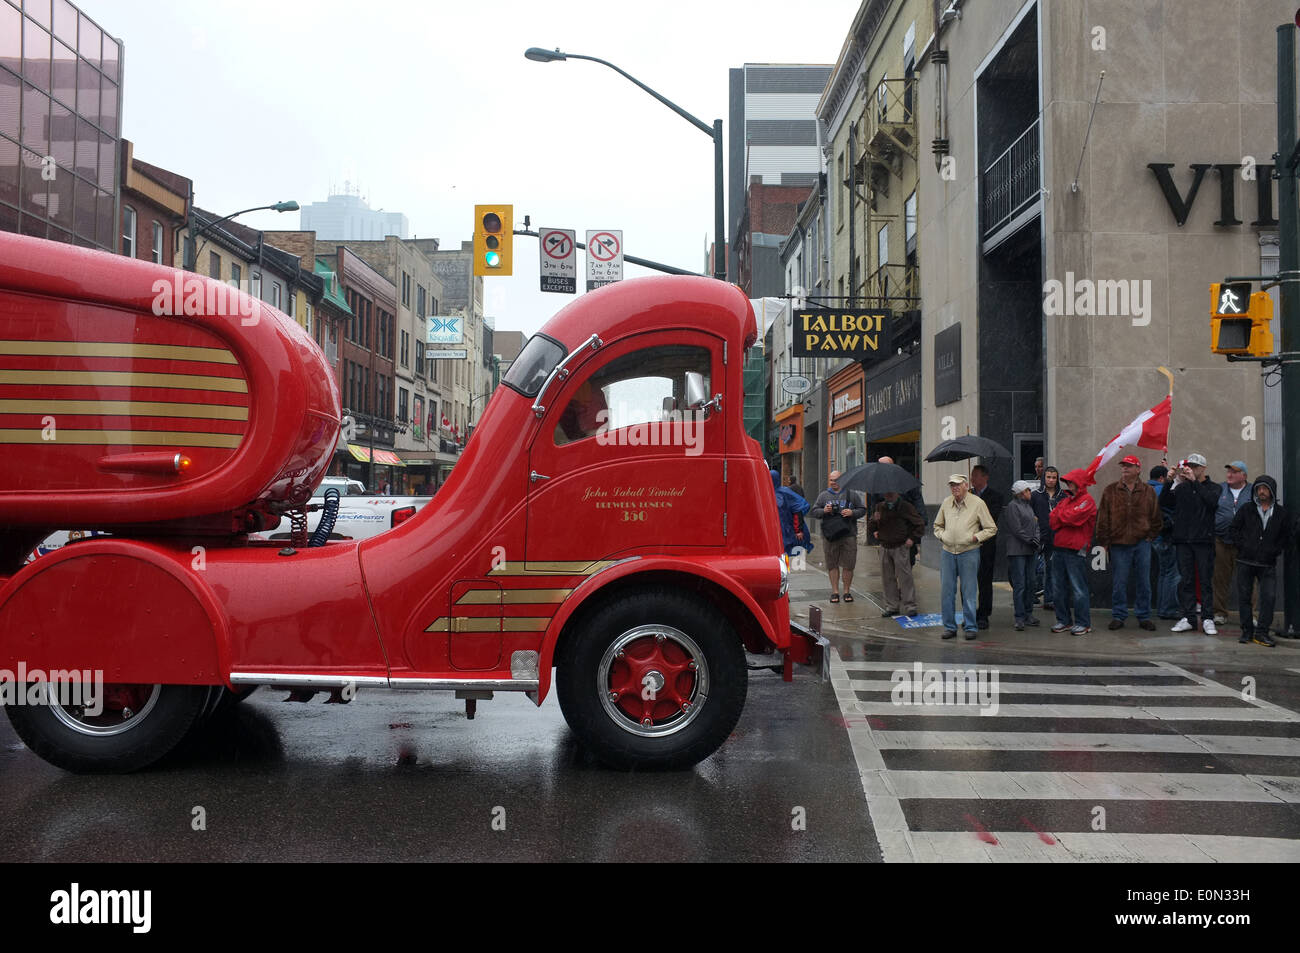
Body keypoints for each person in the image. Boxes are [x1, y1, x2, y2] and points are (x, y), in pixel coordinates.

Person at [1095, 455, 1163, 631]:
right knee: (1119, 582)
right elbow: (1102, 517)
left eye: (1129, 466)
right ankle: (1119, 615)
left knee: (1144, 582)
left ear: (1138, 469)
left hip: (1142, 543)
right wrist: (1104, 541)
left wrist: (1150, 536)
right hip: (1118, 544)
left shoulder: (1148, 491)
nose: (1125, 468)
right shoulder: (1110, 491)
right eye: (1123, 466)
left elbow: (1156, 517)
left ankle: (1144, 616)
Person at [1227, 475, 1289, 647]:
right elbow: (1234, 529)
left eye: (1265, 488)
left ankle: (1262, 632)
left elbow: (1285, 536)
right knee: (1244, 597)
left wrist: (1275, 550)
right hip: (1245, 560)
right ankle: (1247, 631)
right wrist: (1243, 546)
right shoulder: (1247, 509)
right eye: (1259, 488)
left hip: (1267, 562)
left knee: (1268, 597)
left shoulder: (1281, 513)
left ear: (1271, 491)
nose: (1261, 492)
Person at [933, 474, 997, 639]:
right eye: (952, 485)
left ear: (965, 485)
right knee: (947, 591)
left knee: (969, 591)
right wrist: (943, 535)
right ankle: (949, 627)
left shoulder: (977, 503)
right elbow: (937, 525)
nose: (954, 488)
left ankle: (970, 627)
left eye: (957, 485)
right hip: (947, 551)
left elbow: (991, 528)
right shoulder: (947, 502)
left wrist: (976, 537)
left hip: (969, 551)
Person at [1164, 453, 1220, 634]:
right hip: (1183, 540)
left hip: (1203, 540)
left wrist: (1195, 482)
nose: (1191, 470)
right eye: (1189, 466)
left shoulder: (1214, 488)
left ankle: (1207, 618)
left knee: (1205, 581)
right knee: (1186, 580)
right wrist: (1169, 482)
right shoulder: (1181, 487)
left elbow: (1211, 502)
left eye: (1195, 467)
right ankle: (1188, 617)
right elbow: (1164, 503)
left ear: (1203, 468)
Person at [1049, 469, 1099, 635]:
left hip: (1075, 550)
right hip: (1059, 548)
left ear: (1078, 482)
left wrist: (1062, 516)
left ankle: (1083, 623)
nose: (1068, 485)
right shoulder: (1066, 501)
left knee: (1078, 588)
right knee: (1058, 588)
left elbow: (1069, 518)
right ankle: (1064, 621)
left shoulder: (1087, 501)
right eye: (1067, 482)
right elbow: (1053, 521)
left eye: (1071, 482)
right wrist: (1064, 516)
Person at [808, 470, 867, 604]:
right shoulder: (823, 496)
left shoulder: (852, 495)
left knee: (849, 565)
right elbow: (814, 512)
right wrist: (824, 510)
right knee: (832, 564)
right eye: (831, 480)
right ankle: (835, 592)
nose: (833, 483)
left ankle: (847, 591)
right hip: (830, 535)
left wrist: (852, 512)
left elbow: (862, 509)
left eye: (836, 480)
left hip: (849, 534)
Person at [868, 490, 924, 617]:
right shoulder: (879, 507)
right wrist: (874, 521)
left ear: (897, 493)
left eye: (891, 493)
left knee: (905, 577)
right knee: (887, 578)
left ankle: (910, 606)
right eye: (886, 494)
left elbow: (919, 524)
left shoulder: (906, 507)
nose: (888, 496)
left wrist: (912, 538)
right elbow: (871, 527)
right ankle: (892, 606)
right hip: (885, 546)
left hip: (900, 546)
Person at [1212, 461, 1254, 626]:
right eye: (1228, 472)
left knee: (1249, 579)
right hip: (1221, 540)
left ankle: (1252, 615)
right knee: (1220, 578)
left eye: (1234, 472)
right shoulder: (1219, 489)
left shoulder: (1253, 491)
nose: (1229, 475)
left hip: (1245, 542)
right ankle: (1219, 613)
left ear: (1243, 475)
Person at [1001, 480, 1041, 630]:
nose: (1030, 493)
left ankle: (1028, 613)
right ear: (1021, 493)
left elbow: (1036, 523)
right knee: (1020, 584)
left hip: (1030, 550)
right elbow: (1016, 529)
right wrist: (1031, 540)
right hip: (1017, 551)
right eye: (1028, 490)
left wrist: (1036, 539)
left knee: (1031, 582)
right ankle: (1019, 616)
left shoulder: (1028, 507)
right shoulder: (1012, 507)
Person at [969, 464, 1004, 629]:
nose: (972, 479)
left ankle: (983, 614)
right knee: (968, 582)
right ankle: (969, 614)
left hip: (986, 545)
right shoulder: (966, 495)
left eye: (975, 476)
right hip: (967, 546)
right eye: (971, 475)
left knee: (984, 581)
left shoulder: (995, 496)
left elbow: (991, 519)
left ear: (985, 477)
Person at [877, 455, 928, 566]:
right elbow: (875, 511)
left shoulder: (907, 483)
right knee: (889, 572)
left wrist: (913, 537)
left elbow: (920, 513)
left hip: (905, 536)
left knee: (905, 570)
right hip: (887, 538)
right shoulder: (877, 486)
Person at [1148, 465, 1182, 619]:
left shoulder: (1146, 490)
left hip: (1154, 538)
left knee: (1163, 573)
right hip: (1167, 536)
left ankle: (1162, 607)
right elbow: (1172, 508)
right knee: (1172, 574)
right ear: (1162, 478)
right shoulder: (1162, 490)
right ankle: (1168, 609)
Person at [1032, 466, 1067, 611]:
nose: (1051, 480)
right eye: (1048, 477)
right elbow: (1029, 514)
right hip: (1038, 538)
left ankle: (1050, 599)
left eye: (1054, 477)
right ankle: (1030, 597)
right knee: (1032, 570)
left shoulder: (1063, 496)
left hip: (1057, 539)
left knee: (1052, 570)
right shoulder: (1036, 495)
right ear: (1043, 478)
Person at [771, 470, 811, 558]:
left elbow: (797, 510)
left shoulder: (784, 492)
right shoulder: (764, 492)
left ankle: (783, 570)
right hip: (776, 530)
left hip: (784, 529)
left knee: (784, 553)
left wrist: (798, 530)